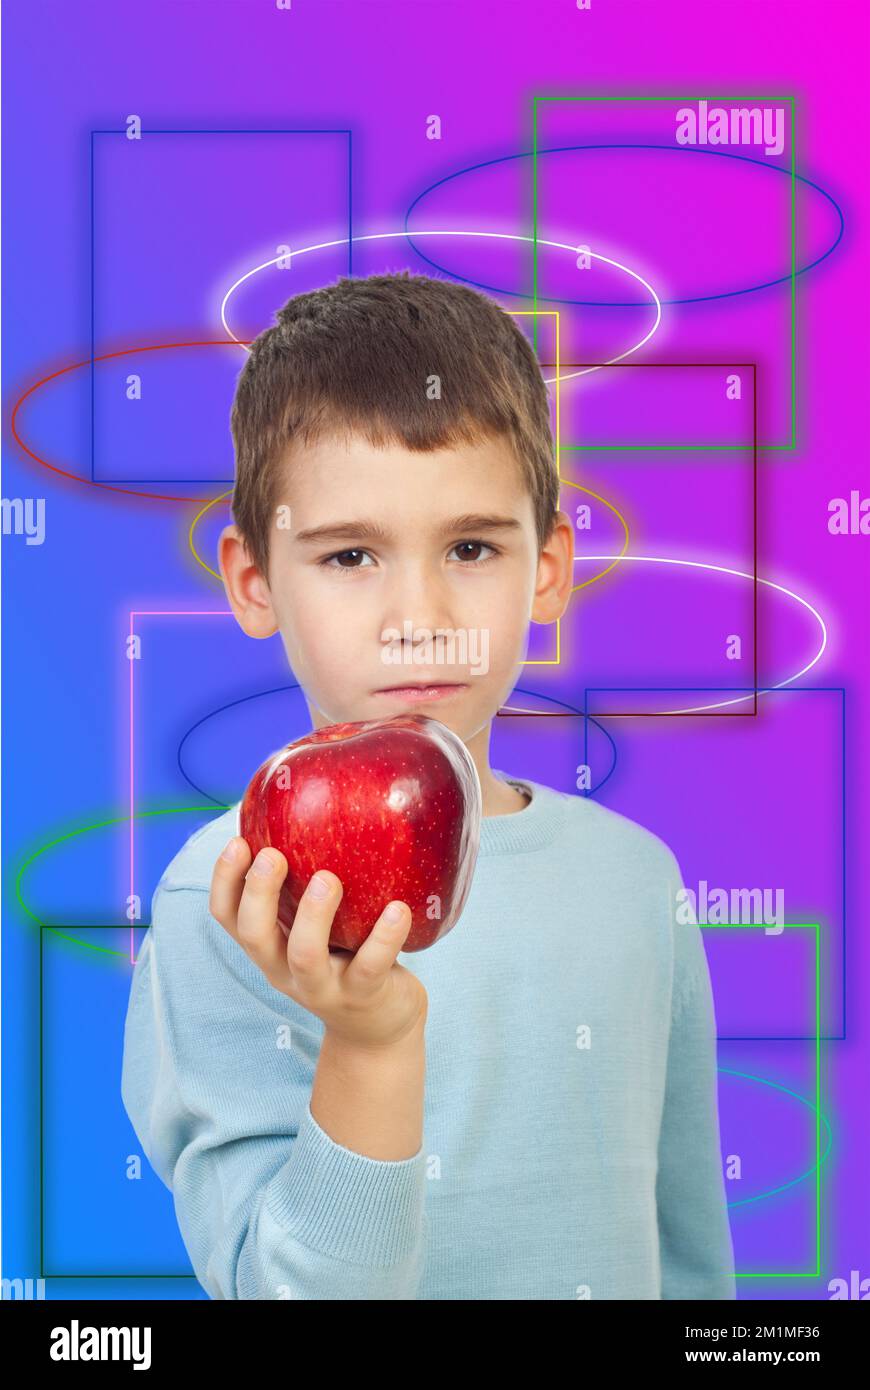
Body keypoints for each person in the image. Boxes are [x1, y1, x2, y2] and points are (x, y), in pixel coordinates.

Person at [121, 271, 736, 1300]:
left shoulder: (635, 878)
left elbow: (687, 1254)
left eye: (471, 547)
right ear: (253, 581)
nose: (419, 613)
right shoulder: (233, 900)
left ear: (546, 570)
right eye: (352, 553)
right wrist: (370, 1043)